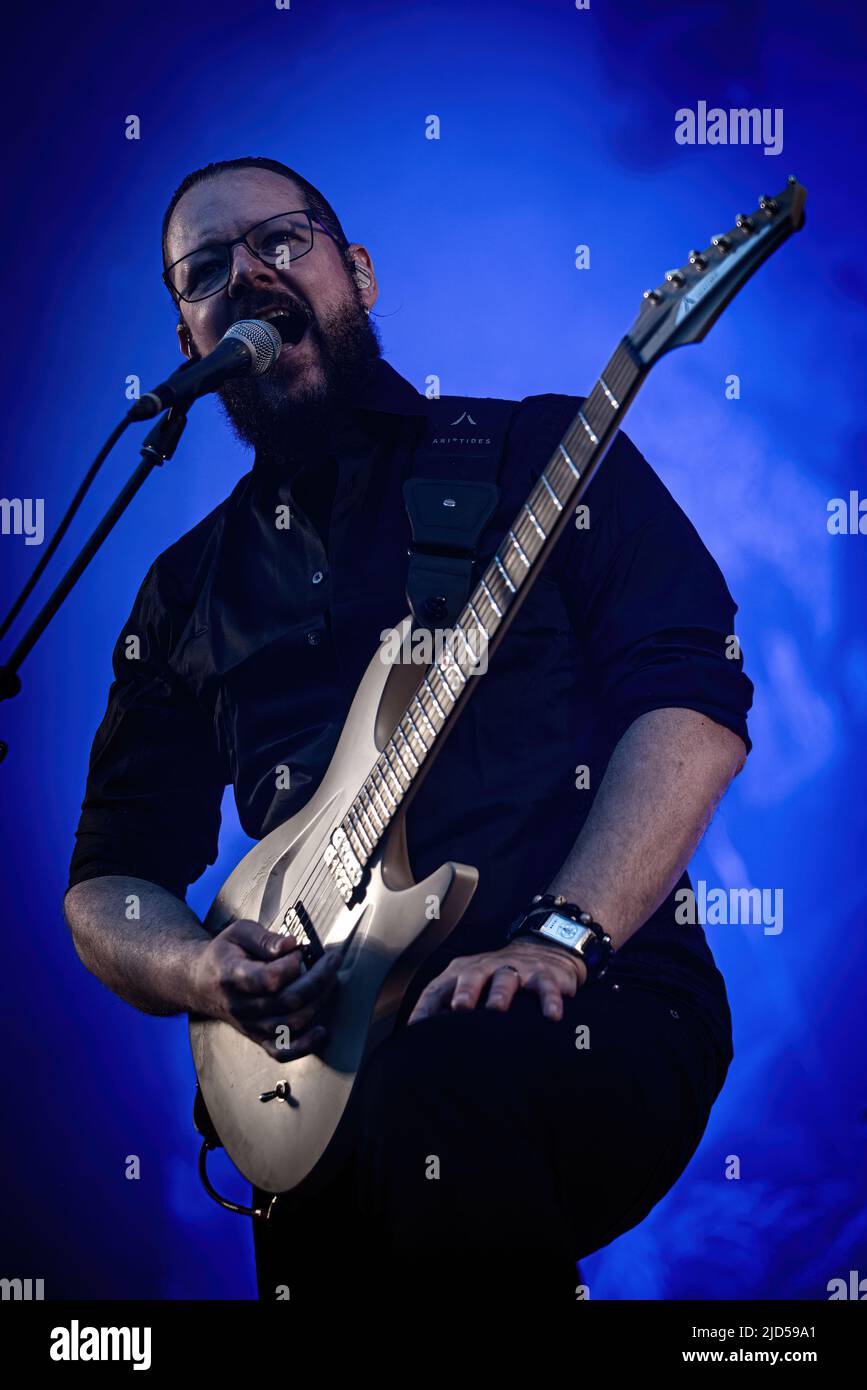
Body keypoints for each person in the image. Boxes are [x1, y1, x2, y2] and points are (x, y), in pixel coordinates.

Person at [64, 156, 753, 1305]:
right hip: (307, 1079)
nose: (248, 274)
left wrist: (559, 937)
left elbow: (692, 704)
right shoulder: (182, 594)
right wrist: (195, 967)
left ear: (359, 273)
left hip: (592, 999)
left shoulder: (538, 451)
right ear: (189, 339)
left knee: (448, 1087)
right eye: (205, 270)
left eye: (282, 240)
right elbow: (109, 881)